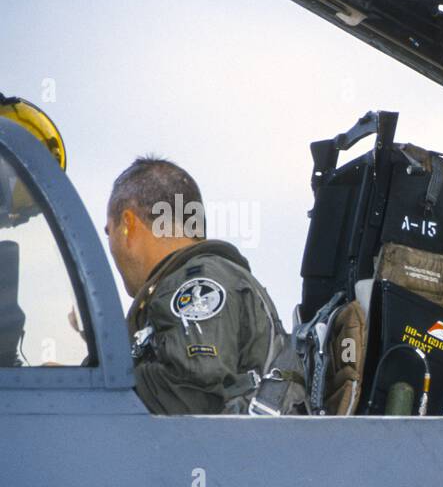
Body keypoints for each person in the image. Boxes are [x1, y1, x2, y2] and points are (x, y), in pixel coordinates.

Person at [105, 155, 302, 414]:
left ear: (128, 225)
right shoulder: (191, 281)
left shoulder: (197, 283)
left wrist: (99, 385)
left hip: (232, 451)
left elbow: (192, 393)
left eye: (110, 231)